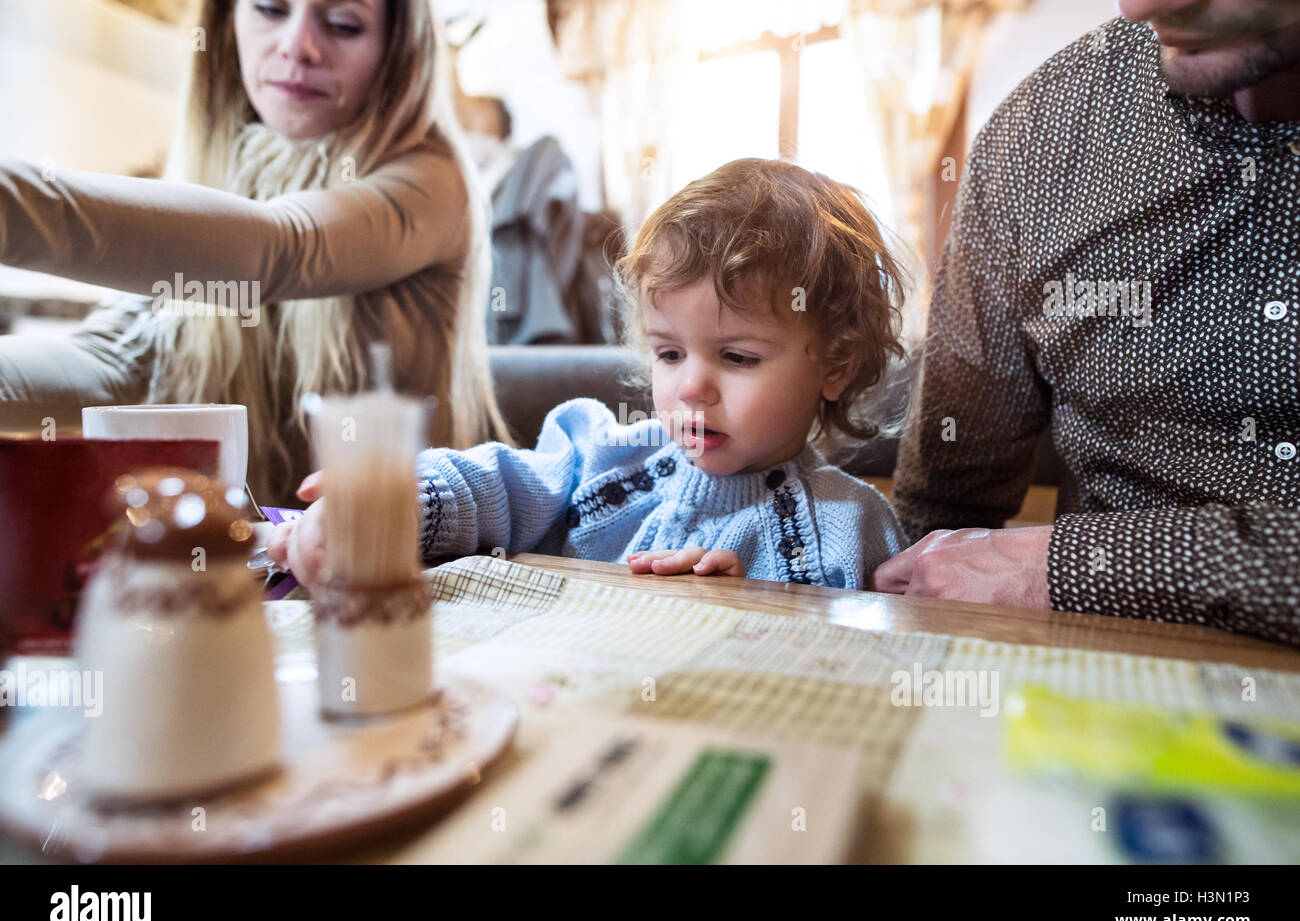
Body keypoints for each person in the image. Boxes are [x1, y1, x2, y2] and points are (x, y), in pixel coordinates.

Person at [269, 158, 910, 588]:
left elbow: (860, 675)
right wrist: (396, 500)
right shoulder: (604, 459)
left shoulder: (855, 527)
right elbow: (503, 484)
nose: (690, 388)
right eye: (669, 353)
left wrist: (757, 608)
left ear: (836, 365)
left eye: (738, 357)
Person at [873, 2, 1300, 644]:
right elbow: (944, 503)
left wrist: (1083, 566)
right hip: (1081, 686)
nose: (1141, 5)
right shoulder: (1038, 133)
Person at [0, 0, 508, 503]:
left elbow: (279, 248)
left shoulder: (433, 183)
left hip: (406, 566)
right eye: (269, 9)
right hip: (250, 572)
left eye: (342, 24)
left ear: (396, 47)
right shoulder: (211, 173)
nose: (298, 46)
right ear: (227, 23)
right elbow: (112, 362)